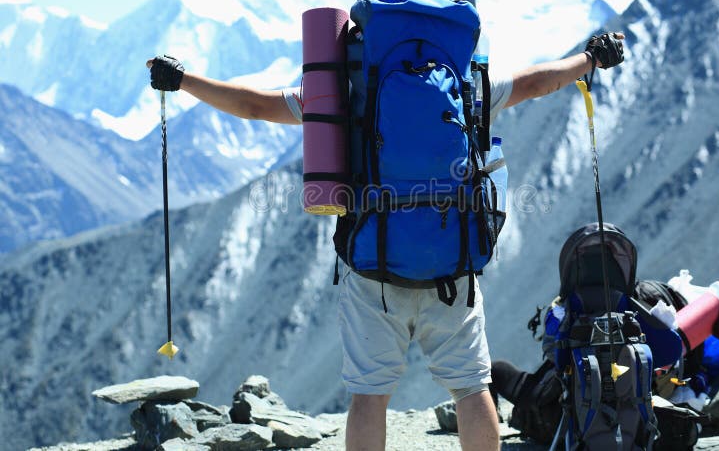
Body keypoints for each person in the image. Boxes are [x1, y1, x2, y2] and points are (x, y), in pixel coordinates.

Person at [147, 29, 625, 451]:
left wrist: (183, 80)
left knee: (371, 394)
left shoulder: (344, 90)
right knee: (472, 386)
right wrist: (592, 59)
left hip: (373, 267)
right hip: (452, 266)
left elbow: (253, 105)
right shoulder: (467, 85)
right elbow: (540, 82)